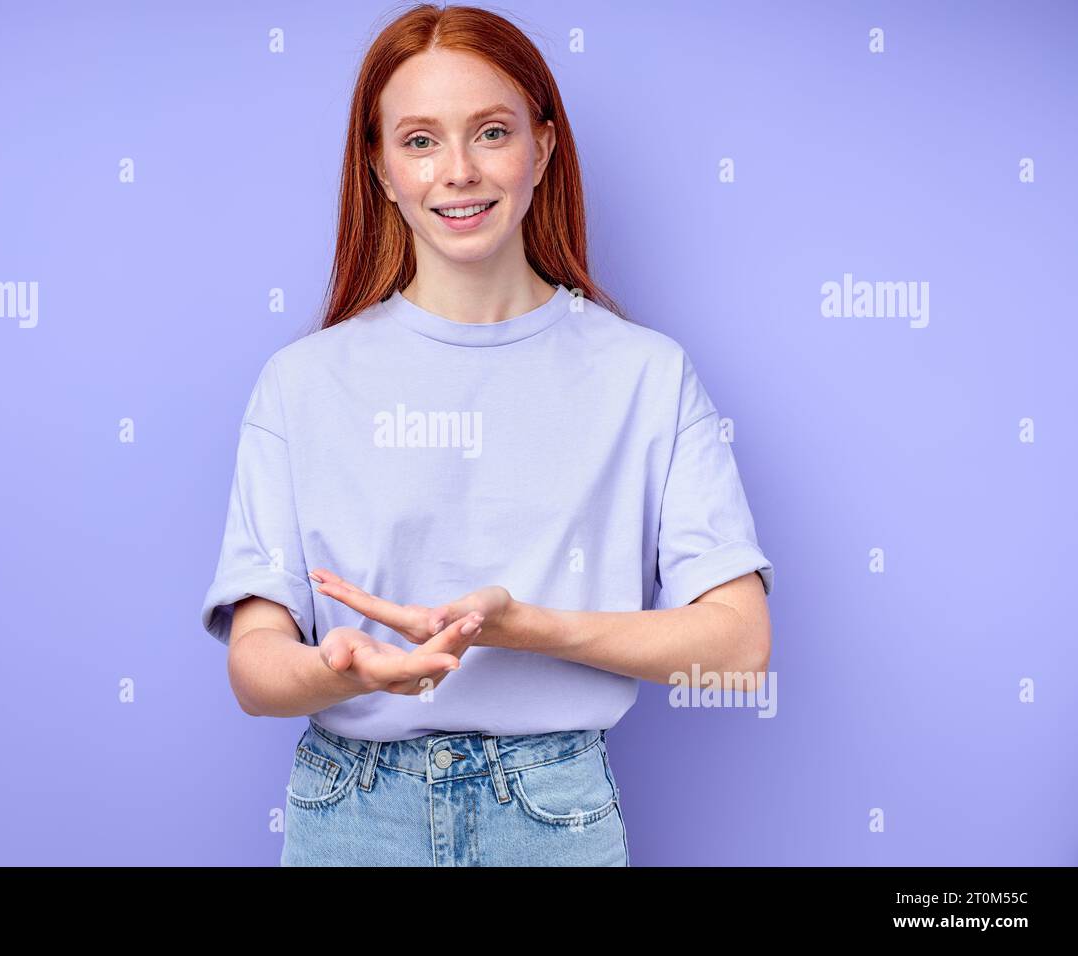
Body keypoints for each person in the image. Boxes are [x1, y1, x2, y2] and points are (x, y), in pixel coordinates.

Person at [200, 3, 774, 867]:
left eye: (492, 132)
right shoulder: (301, 383)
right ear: (381, 168)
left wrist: (531, 628)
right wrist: (338, 668)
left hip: (554, 815)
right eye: (421, 140)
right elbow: (254, 666)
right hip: (350, 813)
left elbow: (739, 648)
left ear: (543, 146)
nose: (458, 172)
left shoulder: (646, 375)